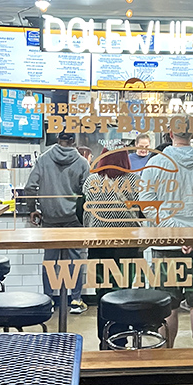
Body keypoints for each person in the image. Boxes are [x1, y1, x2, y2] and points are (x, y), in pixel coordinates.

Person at [138, 115, 193, 348]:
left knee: (167, 304)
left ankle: (167, 357)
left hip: (166, 244)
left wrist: (175, 232)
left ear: (169, 134)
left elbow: (146, 202)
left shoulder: (156, 163)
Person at [24, 131, 89, 315]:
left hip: (50, 219)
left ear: (57, 139)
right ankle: (75, 300)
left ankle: (48, 300)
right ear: (73, 141)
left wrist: (32, 208)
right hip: (74, 220)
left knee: (50, 260)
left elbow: (30, 187)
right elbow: (88, 192)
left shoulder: (44, 159)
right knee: (75, 261)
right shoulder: (83, 163)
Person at [83, 148, 142, 345]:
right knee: (123, 292)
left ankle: (105, 339)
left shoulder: (91, 181)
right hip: (127, 245)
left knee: (103, 293)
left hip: (98, 245)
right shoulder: (134, 180)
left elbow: (81, 210)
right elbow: (143, 211)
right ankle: (122, 336)